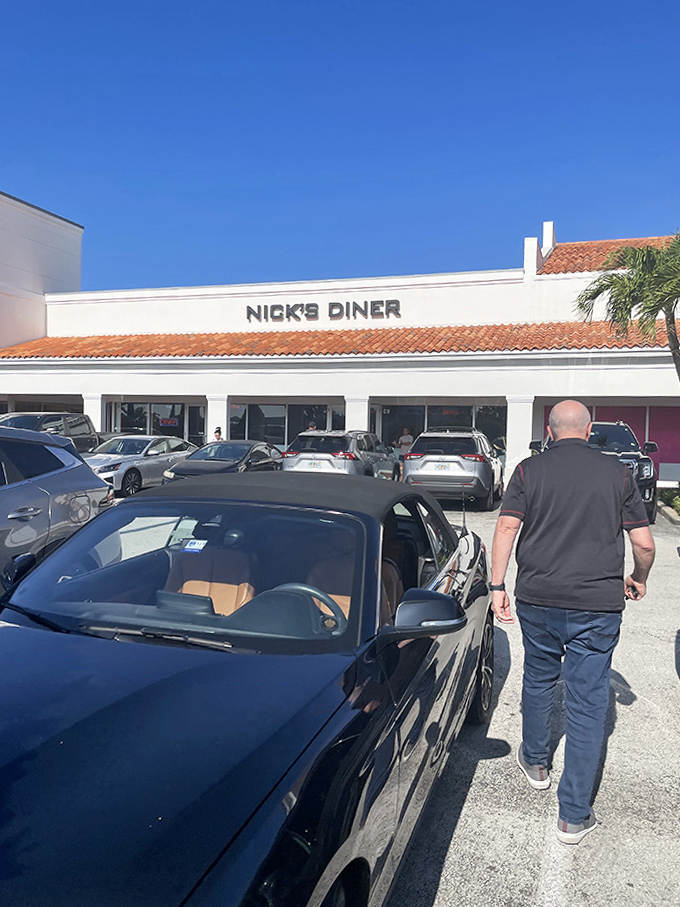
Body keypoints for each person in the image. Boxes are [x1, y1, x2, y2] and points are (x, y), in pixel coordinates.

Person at [490, 399, 655, 845]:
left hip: (538, 599)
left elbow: (505, 528)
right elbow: (644, 544)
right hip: (597, 606)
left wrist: (497, 586)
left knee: (540, 678)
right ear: (588, 432)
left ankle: (537, 762)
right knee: (586, 704)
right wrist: (638, 579)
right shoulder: (618, 473)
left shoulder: (527, 471)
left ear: (550, 429)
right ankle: (573, 816)